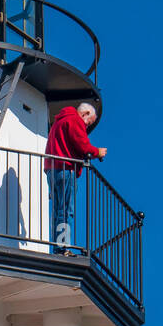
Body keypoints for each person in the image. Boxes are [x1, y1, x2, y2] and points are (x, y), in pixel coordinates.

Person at [44, 103, 108, 253]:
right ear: (85, 113)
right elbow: (82, 145)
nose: (86, 126)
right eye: (89, 122)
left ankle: (57, 246)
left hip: (52, 171)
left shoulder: (59, 121)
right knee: (66, 211)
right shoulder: (75, 120)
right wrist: (97, 152)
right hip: (66, 170)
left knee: (58, 210)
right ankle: (63, 247)